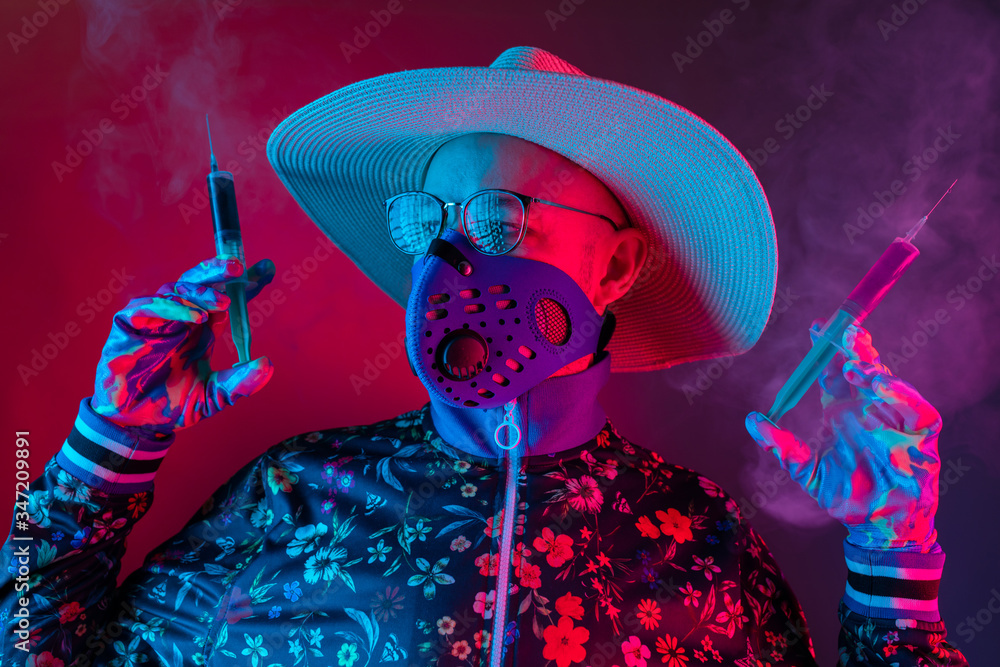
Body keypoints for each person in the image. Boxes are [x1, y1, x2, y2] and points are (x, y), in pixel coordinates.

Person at [1, 46, 967, 667]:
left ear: (620, 263)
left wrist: (894, 558)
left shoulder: (700, 545)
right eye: (428, 222)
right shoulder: (292, 495)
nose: (453, 260)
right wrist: (99, 454)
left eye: (503, 218)